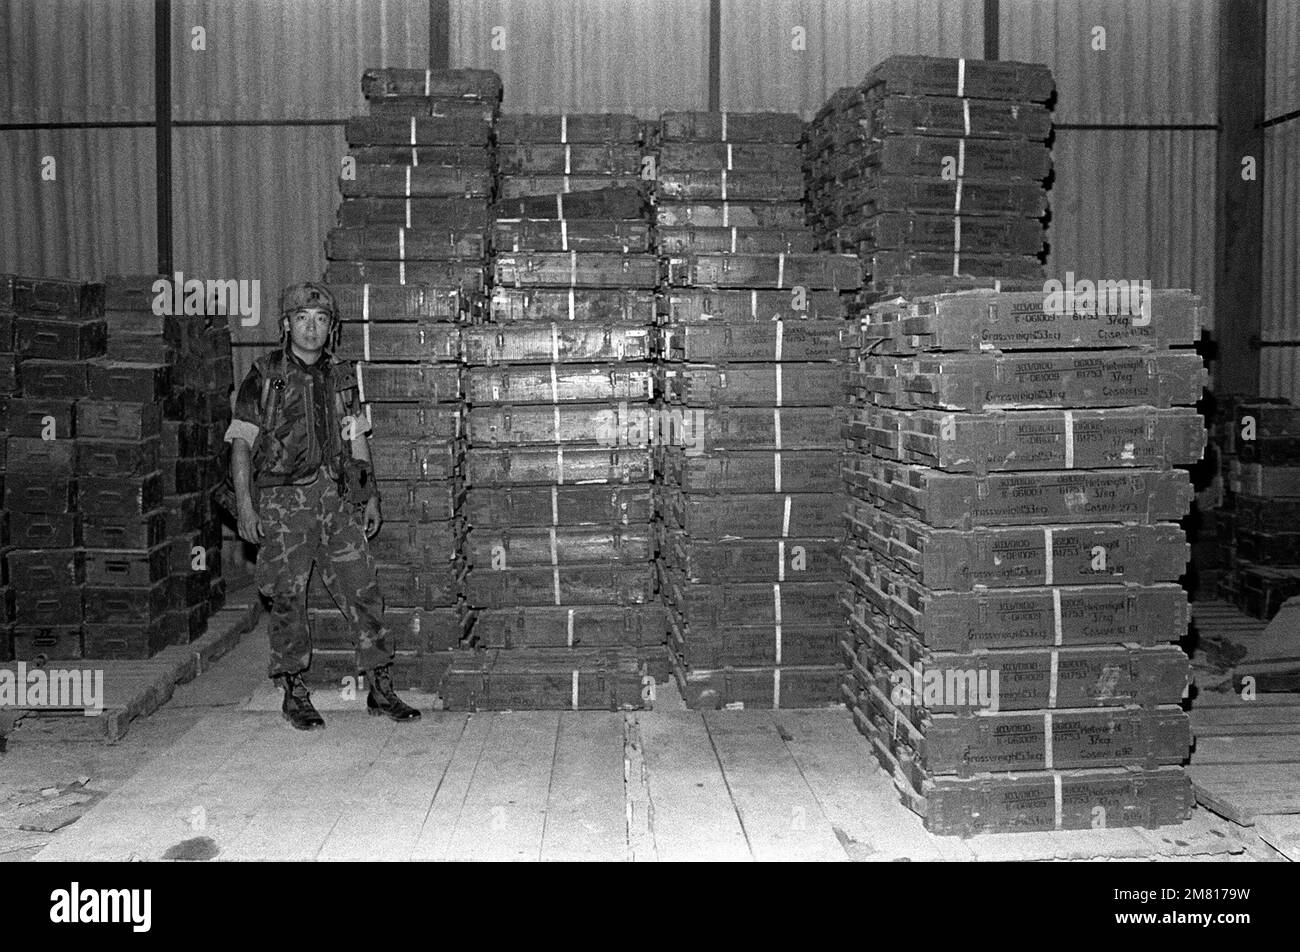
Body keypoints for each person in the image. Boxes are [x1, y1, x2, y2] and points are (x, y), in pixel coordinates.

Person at [226, 281, 419, 730]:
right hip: (281, 503)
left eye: (320, 320)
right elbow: (240, 444)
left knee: (363, 588)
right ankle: (294, 690)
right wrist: (245, 507)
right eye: (302, 319)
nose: (311, 328)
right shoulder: (264, 374)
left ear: (331, 328)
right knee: (288, 595)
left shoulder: (341, 376)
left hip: (334, 498)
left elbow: (357, 439)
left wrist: (368, 495)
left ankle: (380, 688)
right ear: (285, 324)